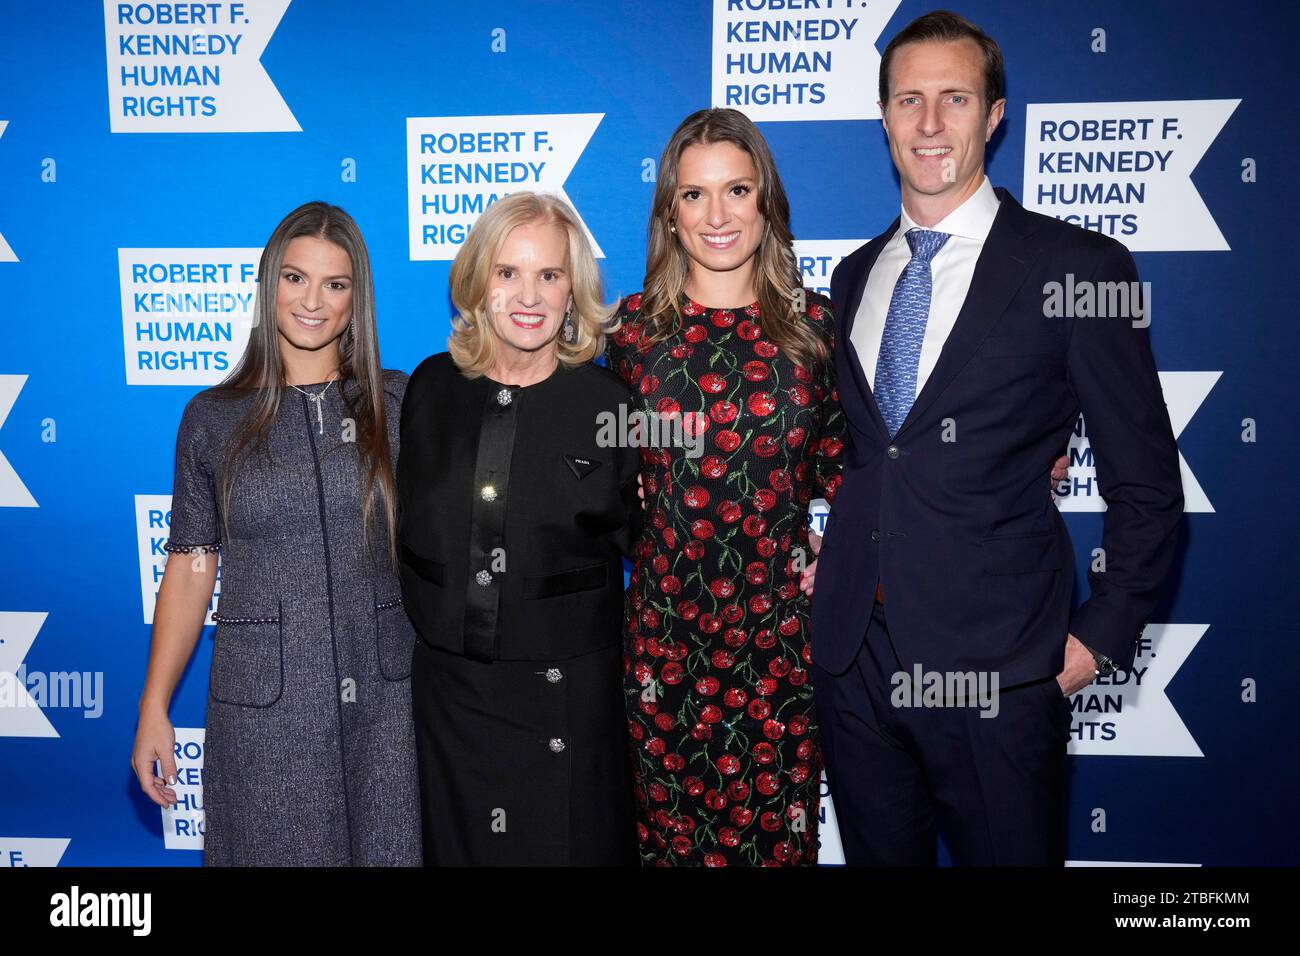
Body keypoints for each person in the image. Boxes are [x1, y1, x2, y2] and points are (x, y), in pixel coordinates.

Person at [811, 10, 1185, 866]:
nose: (930, 124)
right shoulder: (854, 275)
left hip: (1000, 673)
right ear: (883, 116)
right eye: (909, 100)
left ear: (995, 114)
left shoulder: (1082, 269)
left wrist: (1097, 640)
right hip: (854, 665)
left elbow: (1147, 484)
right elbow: (874, 455)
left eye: (954, 99)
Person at [130, 201, 421, 866]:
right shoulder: (211, 419)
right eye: (295, 278)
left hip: (386, 705)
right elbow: (191, 564)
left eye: (335, 284)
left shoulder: (401, 405)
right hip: (263, 710)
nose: (312, 300)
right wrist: (154, 706)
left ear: (357, 299)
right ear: (269, 284)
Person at [606, 108, 844, 866]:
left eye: (737, 190)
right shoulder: (630, 335)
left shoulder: (815, 330)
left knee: (778, 847)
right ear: (668, 214)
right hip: (664, 645)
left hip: (782, 648)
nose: (717, 215)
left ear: (766, 202)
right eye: (693, 195)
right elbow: (586, 470)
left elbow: (861, 470)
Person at [397, 191, 641, 866]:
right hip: (453, 702)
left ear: (573, 291)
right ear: (478, 284)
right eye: (508, 273)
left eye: (549, 275)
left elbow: (657, 544)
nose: (528, 295)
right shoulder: (429, 389)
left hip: (568, 706)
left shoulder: (610, 404)